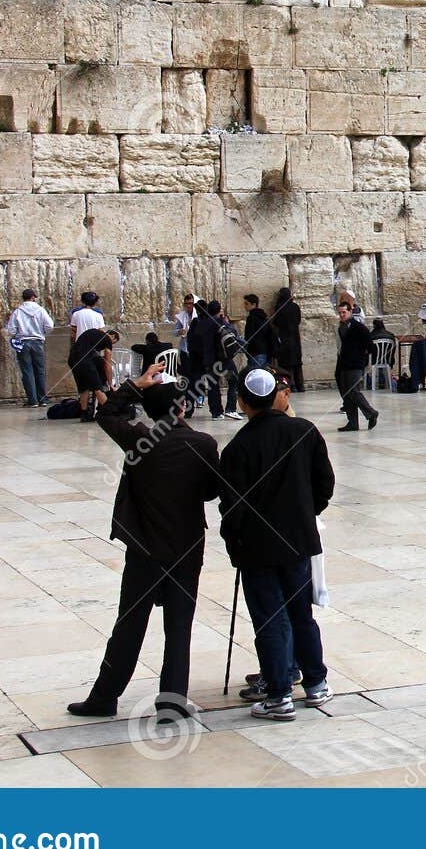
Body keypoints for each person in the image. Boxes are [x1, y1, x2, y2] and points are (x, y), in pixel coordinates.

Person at [67, 365, 221, 719]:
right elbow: (212, 492)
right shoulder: (203, 443)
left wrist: (134, 386)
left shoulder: (140, 439)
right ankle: (171, 702)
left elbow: (106, 413)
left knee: (130, 624)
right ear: (181, 409)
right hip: (186, 548)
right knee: (179, 627)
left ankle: (105, 696)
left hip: (145, 549)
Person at [219, 369, 335, 720]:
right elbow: (324, 484)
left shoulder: (238, 447)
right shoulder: (304, 432)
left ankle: (279, 695)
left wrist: (234, 544)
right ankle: (315, 684)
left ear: (242, 402)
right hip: (298, 541)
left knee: (271, 620)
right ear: (276, 397)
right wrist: (303, 513)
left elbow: (231, 506)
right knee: (301, 614)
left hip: (258, 548)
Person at [333, 299, 378, 431]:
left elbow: (371, 346)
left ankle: (371, 413)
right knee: (347, 395)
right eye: (340, 313)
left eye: (344, 312)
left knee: (353, 391)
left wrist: (364, 360)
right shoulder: (341, 327)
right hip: (343, 365)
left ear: (350, 312)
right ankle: (352, 422)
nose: (342, 315)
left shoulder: (358, 327)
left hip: (355, 365)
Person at [5, 289, 54, 407]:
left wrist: (19, 334)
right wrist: (42, 333)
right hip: (37, 342)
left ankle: (32, 400)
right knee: (40, 371)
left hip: (23, 342)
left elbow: (11, 329)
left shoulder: (17, 312)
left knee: (27, 371)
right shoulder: (41, 311)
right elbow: (50, 326)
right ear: (33, 297)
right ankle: (42, 398)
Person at [68, 323, 116, 422]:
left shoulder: (93, 333)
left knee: (83, 388)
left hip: (72, 359)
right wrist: (110, 384)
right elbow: (108, 364)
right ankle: (113, 414)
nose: (112, 345)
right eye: (114, 342)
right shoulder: (107, 339)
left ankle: (85, 414)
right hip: (85, 361)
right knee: (97, 388)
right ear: (113, 337)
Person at [271, 287, 304, 392]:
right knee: (297, 363)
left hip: (284, 338)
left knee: (286, 364)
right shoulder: (295, 306)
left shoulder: (280, 307)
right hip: (295, 338)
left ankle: (291, 385)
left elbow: (276, 322)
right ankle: (301, 385)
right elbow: (298, 320)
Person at [242, 294, 275, 368]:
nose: (245, 306)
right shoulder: (263, 317)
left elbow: (249, 336)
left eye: (247, 304)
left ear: (254, 304)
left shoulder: (252, 318)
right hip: (265, 351)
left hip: (255, 352)